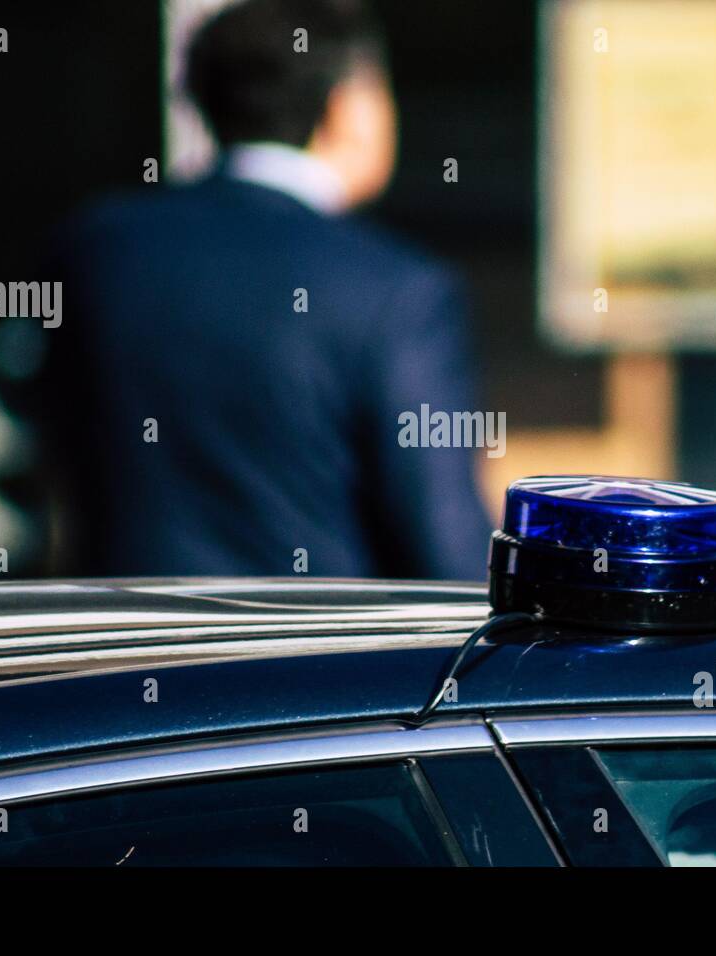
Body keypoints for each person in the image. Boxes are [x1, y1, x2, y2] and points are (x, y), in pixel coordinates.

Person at [45, 0, 492, 580]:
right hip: (314, 659)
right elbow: (446, 546)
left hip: (117, 649)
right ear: (349, 108)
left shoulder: (97, 249)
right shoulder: (398, 289)